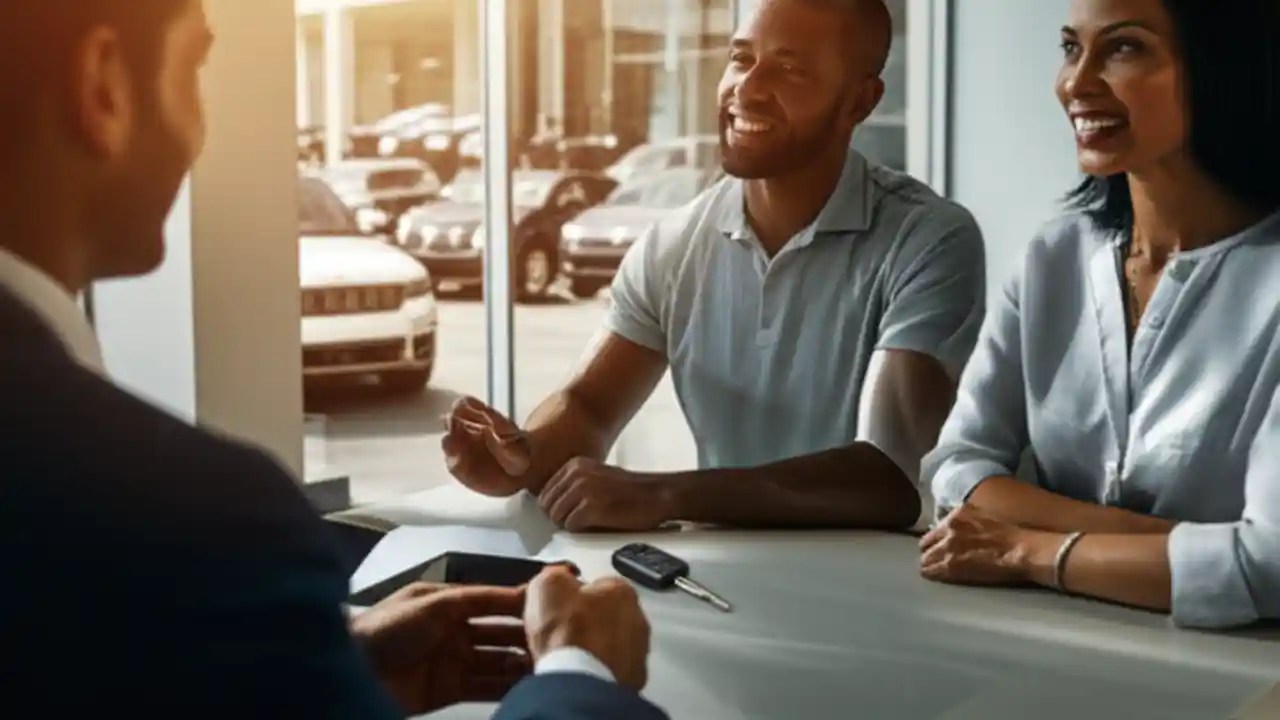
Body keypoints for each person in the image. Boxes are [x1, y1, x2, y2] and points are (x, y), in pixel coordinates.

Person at [0, 1, 665, 717]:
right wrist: (578, 672)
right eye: (194, 69)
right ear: (105, 86)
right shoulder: (194, 522)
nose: (201, 133)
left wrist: (323, 675)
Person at [444, 0, 986, 534]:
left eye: (790, 68)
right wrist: (526, 457)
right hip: (724, 575)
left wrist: (666, 494)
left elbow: (891, 471)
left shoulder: (928, 239)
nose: (747, 89)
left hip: (879, 583)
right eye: (741, 58)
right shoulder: (673, 244)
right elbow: (588, 407)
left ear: (860, 101)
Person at [919, 0, 1280, 630]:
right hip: (1053, 645)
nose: (1074, 84)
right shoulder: (1055, 256)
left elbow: (1268, 569)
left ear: (1225, 68)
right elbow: (957, 467)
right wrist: (1155, 541)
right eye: (1069, 48)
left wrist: (1024, 548)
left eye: (1123, 48)